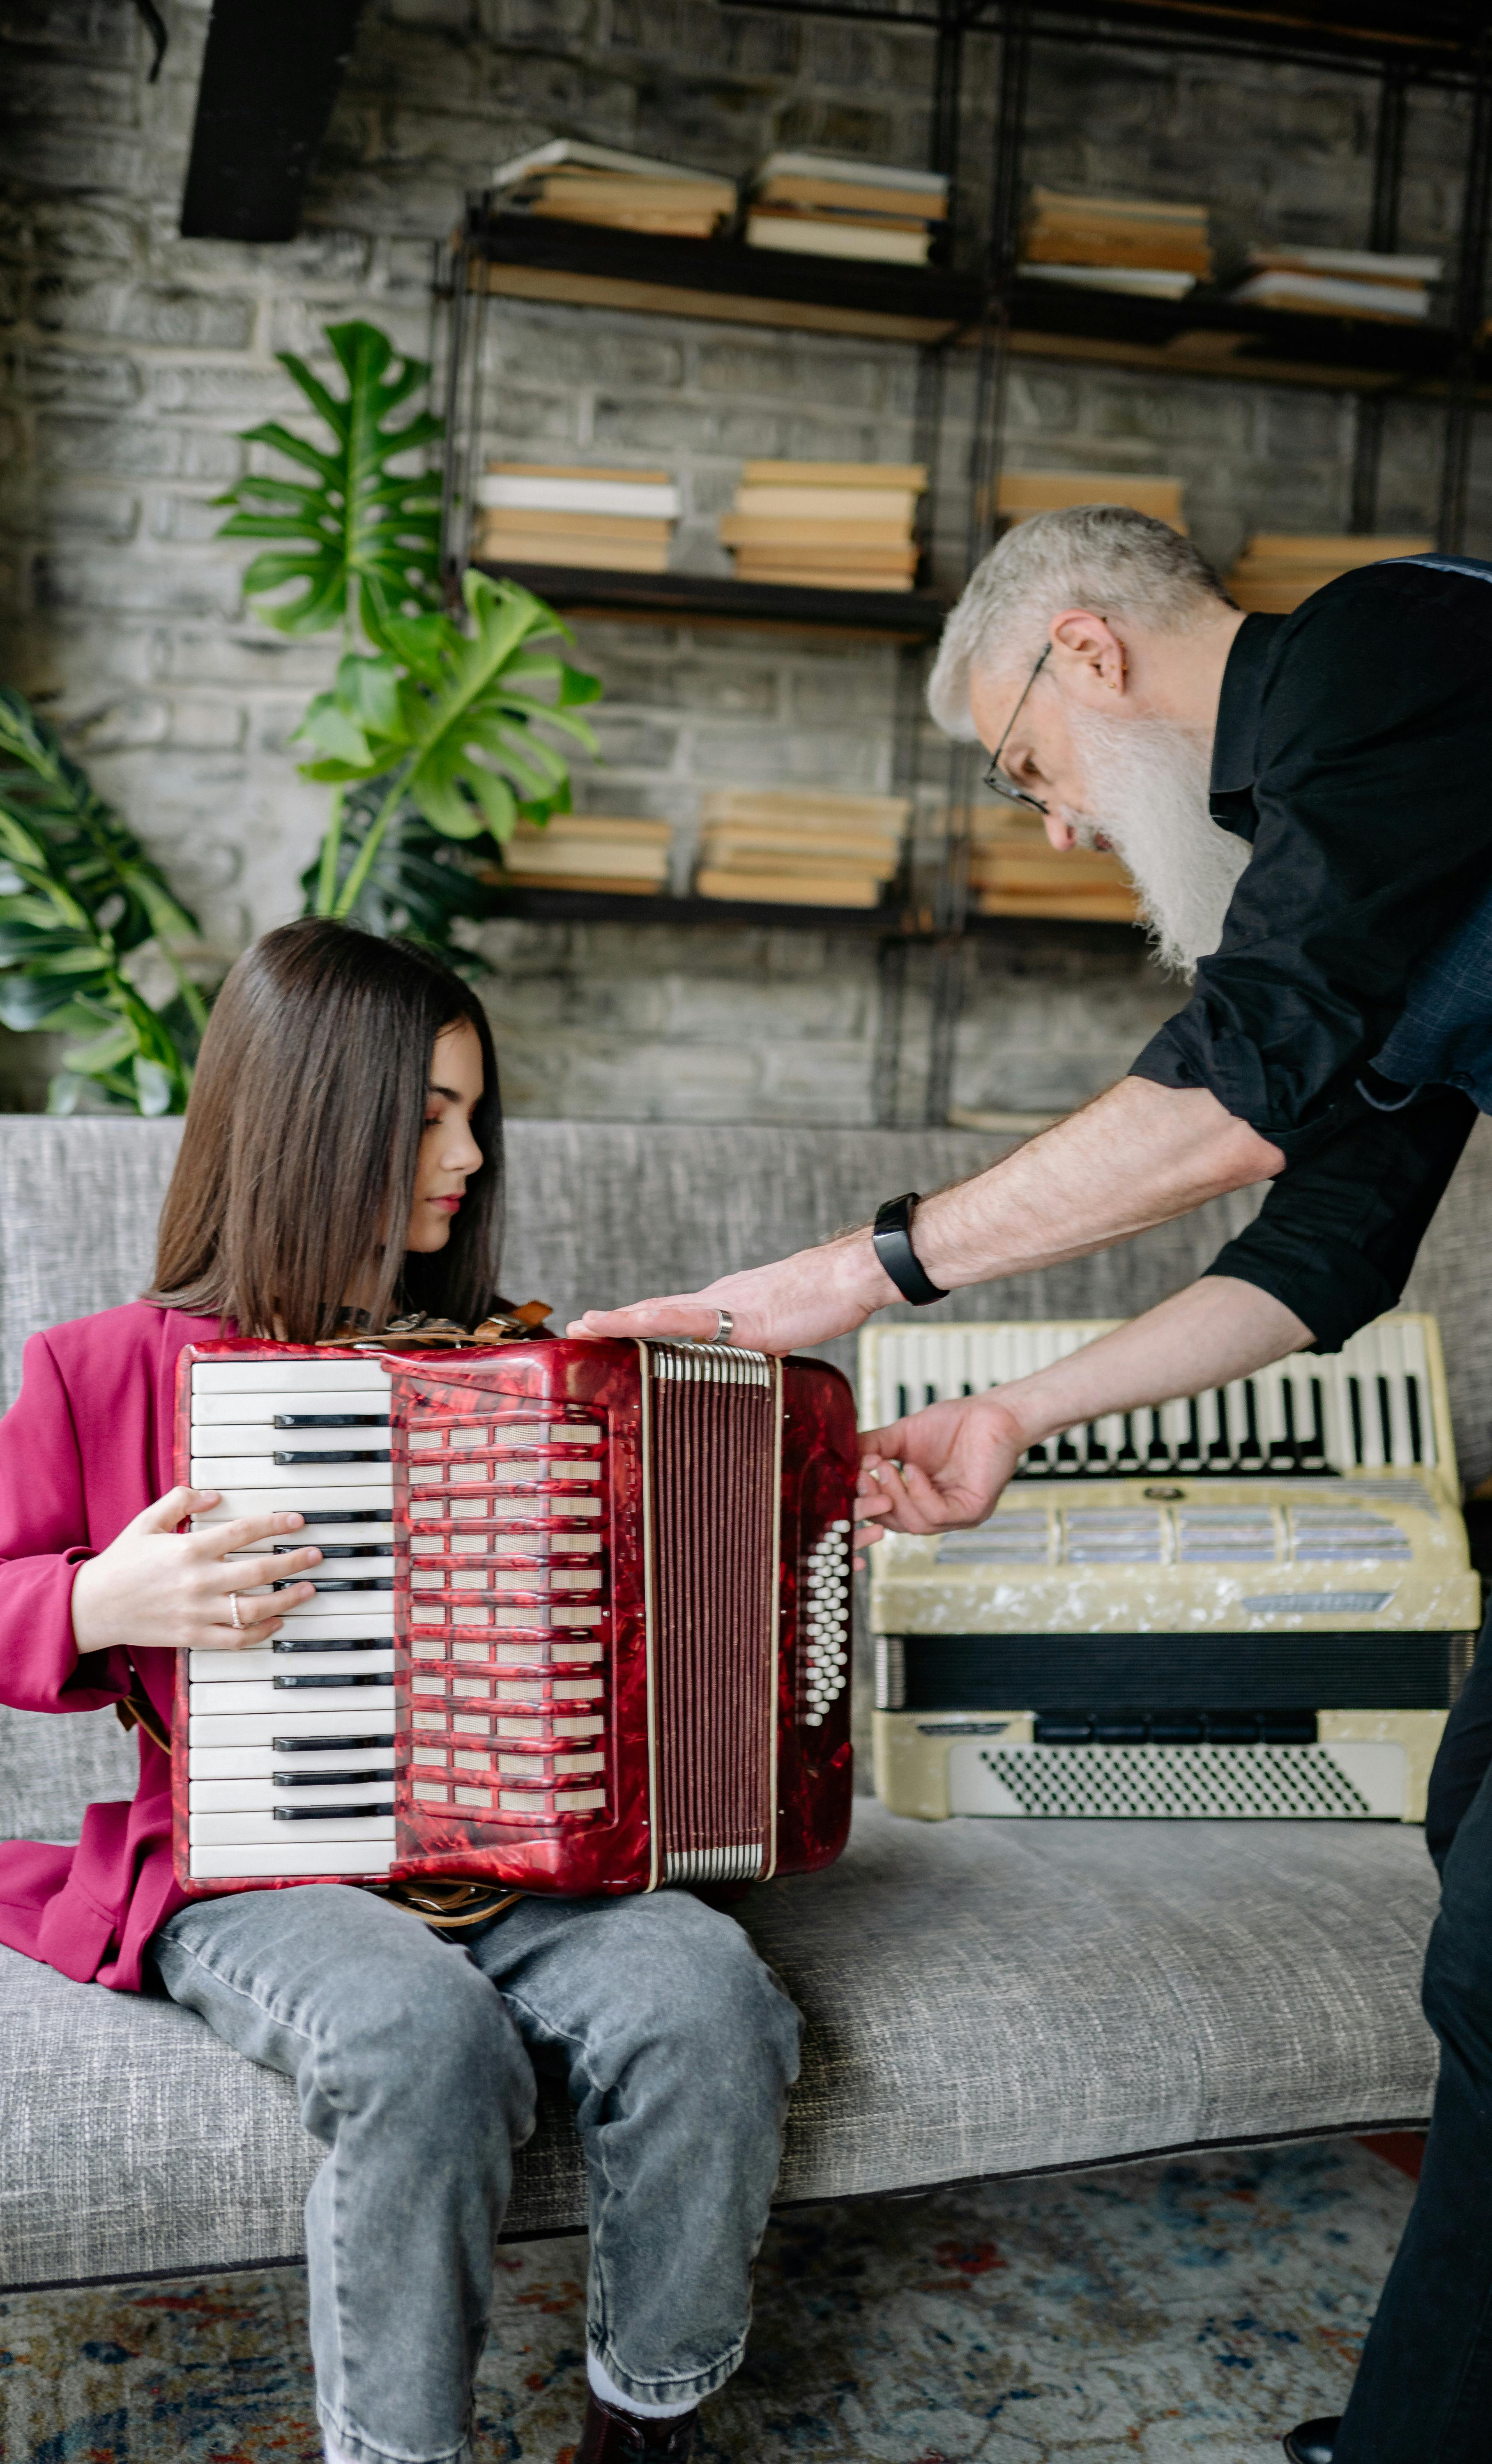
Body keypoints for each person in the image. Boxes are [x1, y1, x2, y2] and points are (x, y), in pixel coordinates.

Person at [571, 507, 1492, 2464]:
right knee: (1475, 1815)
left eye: (1026, 768)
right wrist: (1015, 1417)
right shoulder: (1395, 841)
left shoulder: (1381, 654)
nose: (1056, 827)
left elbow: (1240, 1089)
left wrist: (838, 1279)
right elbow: (1330, 1240)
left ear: (1087, 652)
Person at [0, 919, 800, 2464]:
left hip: (517, 1854)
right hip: (257, 1860)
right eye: (429, 1115)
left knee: (710, 1998)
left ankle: (646, 2423)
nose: (468, 1152)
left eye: (475, 1113)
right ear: (314, 1120)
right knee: (418, 2041)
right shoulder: (107, 1367)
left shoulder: (525, 1372)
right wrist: (105, 1594)